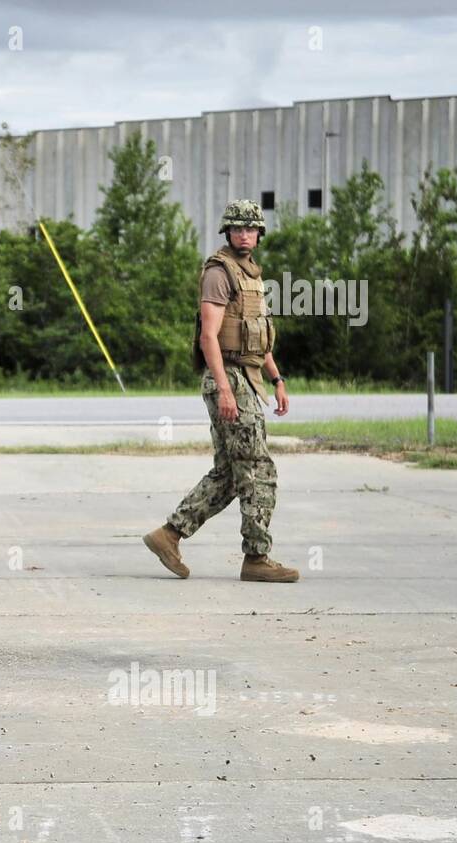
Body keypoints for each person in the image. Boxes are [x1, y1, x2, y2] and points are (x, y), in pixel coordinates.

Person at [143, 199, 300, 583]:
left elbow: (258, 339)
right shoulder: (219, 272)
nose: (244, 234)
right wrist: (227, 389)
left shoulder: (252, 275)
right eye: (237, 228)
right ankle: (257, 558)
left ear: (259, 234)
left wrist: (277, 380)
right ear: (227, 232)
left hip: (247, 377)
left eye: (251, 229)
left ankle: (169, 535)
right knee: (258, 468)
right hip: (226, 378)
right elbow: (209, 336)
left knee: (230, 474)